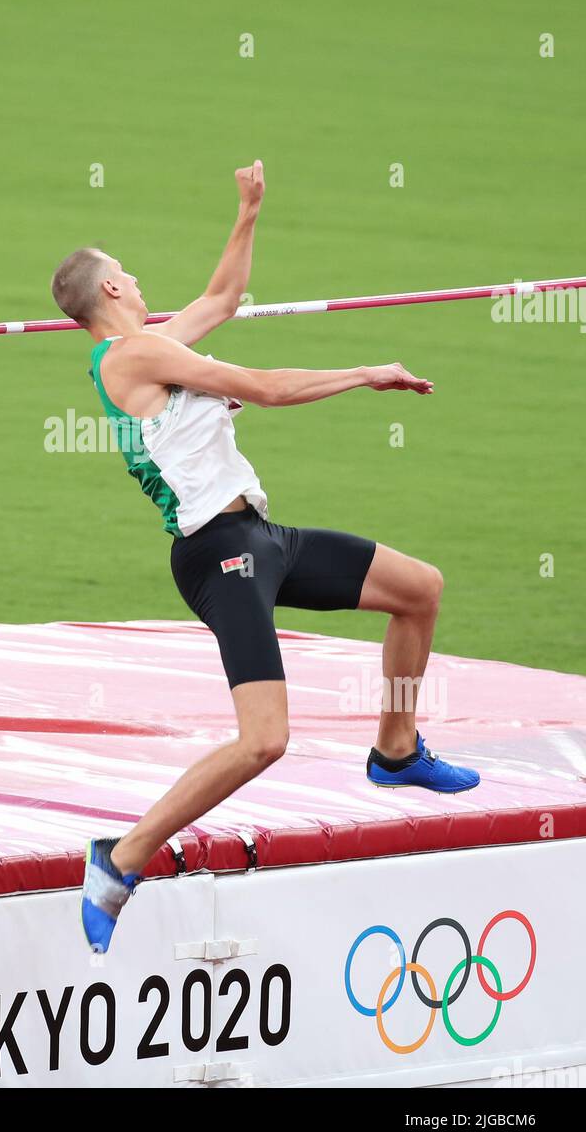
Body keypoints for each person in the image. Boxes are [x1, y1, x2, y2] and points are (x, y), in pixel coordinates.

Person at [50, 161, 479, 954]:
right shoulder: (129, 360)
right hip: (217, 552)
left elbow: (220, 301)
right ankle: (121, 858)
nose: (142, 287)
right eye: (131, 278)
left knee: (418, 589)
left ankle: (394, 748)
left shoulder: (149, 344)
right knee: (263, 740)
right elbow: (266, 387)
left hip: (259, 539)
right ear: (109, 292)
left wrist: (247, 210)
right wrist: (364, 372)